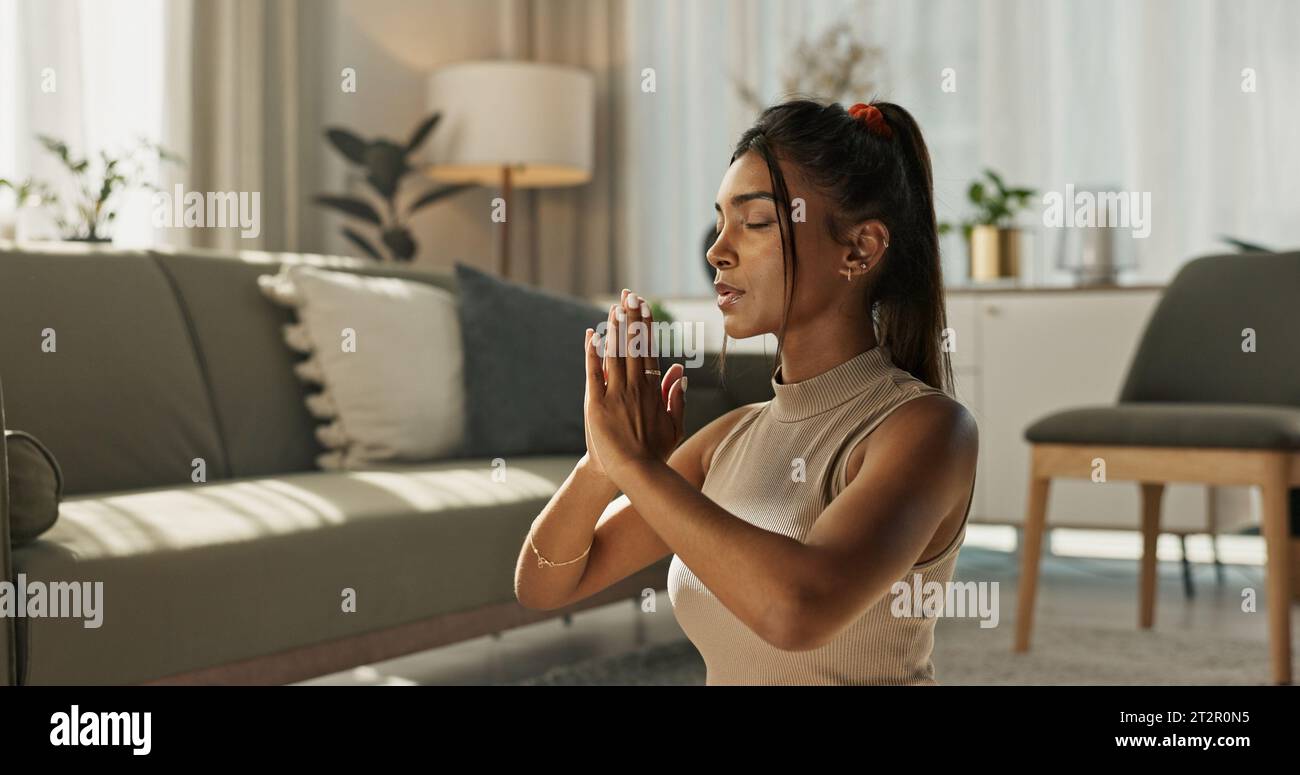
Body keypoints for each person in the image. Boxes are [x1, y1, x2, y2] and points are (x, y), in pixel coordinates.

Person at [515, 98, 978, 685]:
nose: (717, 251)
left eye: (755, 222)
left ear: (859, 248)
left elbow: (797, 613)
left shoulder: (929, 429)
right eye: (720, 222)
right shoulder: (728, 440)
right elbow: (546, 586)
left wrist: (638, 467)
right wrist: (601, 465)